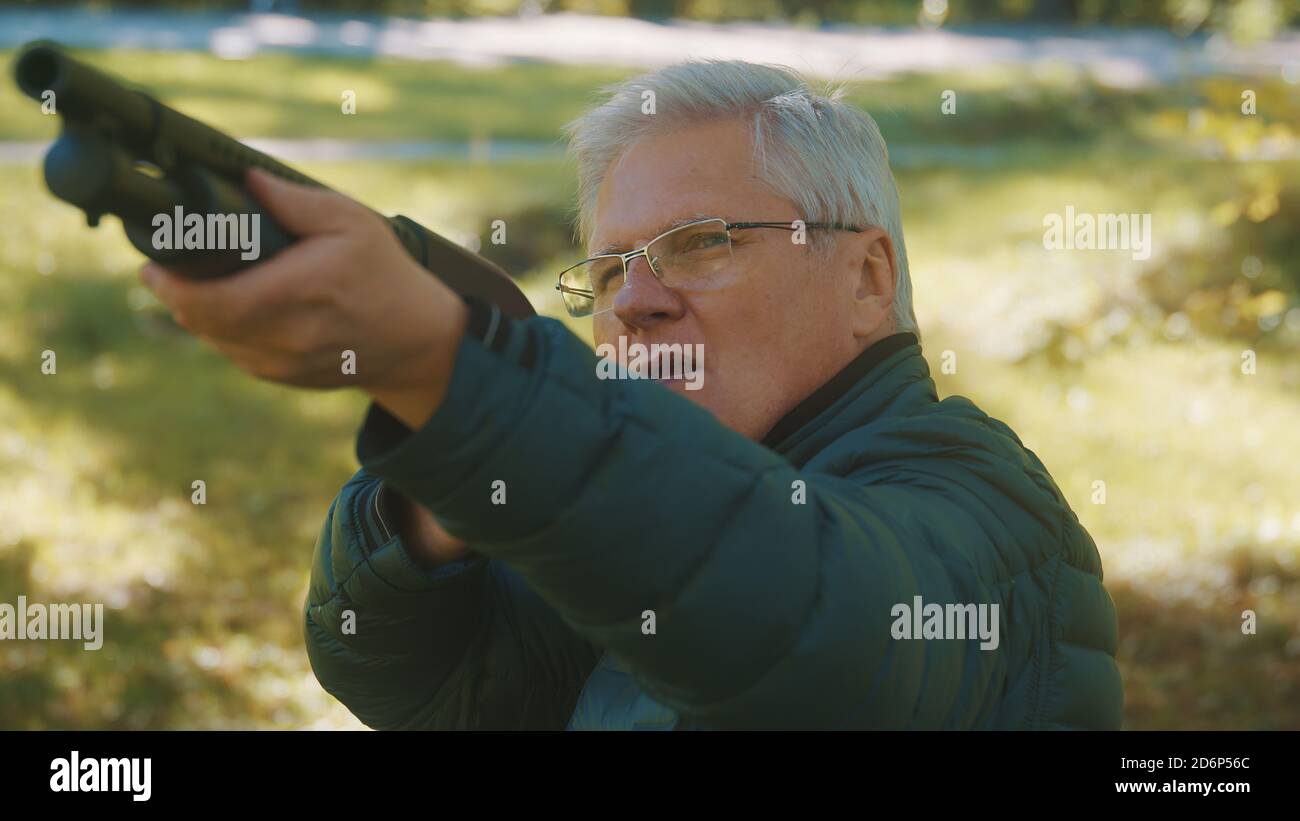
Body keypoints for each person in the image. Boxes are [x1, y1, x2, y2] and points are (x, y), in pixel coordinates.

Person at [140, 60, 1123, 729]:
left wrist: (453, 373)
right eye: (608, 272)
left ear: (867, 277)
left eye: (702, 243)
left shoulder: (987, 513)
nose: (636, 303)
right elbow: (409, 678)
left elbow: (807, 618)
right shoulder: (635, 522)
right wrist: (458, 482)